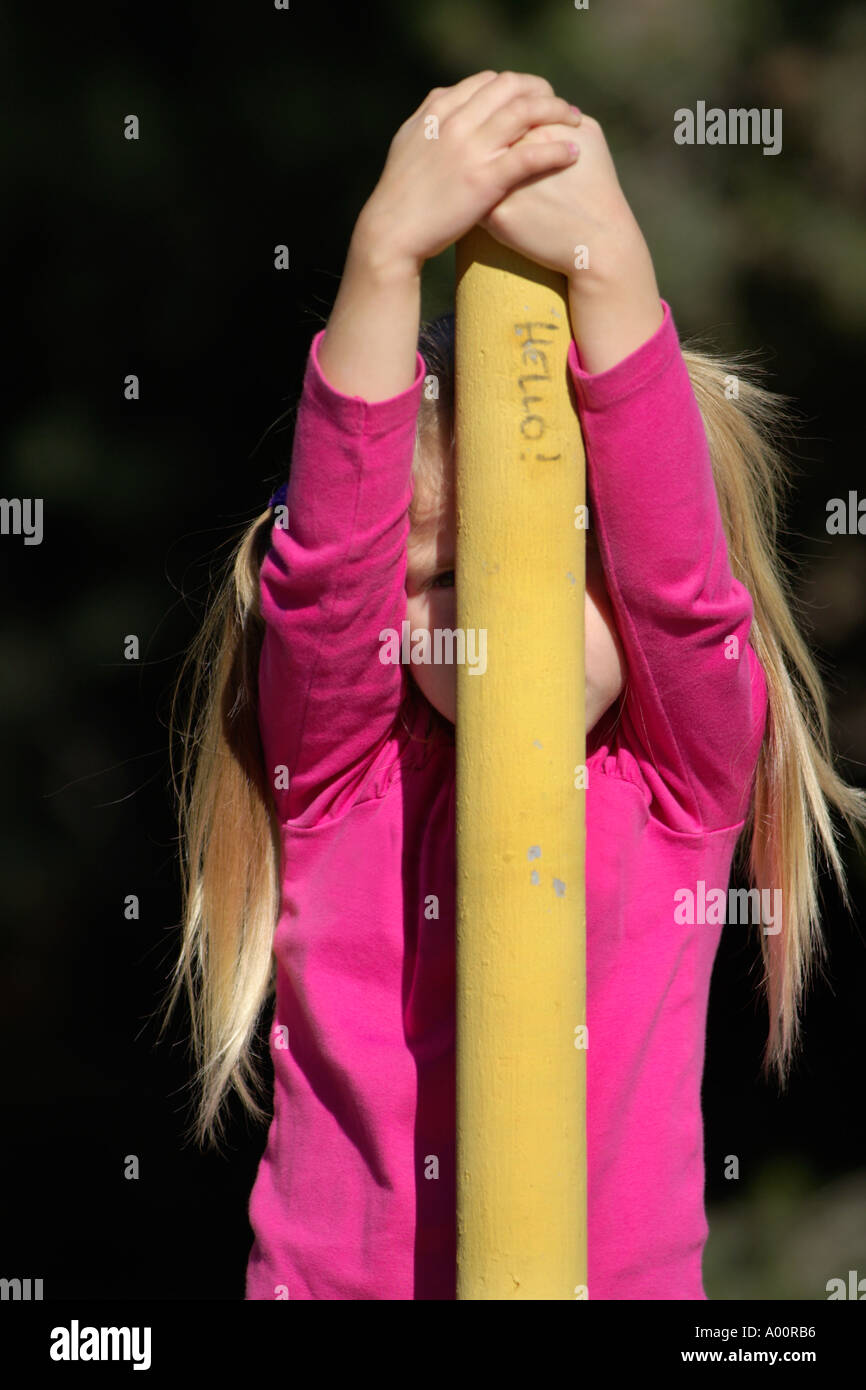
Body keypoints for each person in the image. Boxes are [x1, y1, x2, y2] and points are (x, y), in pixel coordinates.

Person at [160, 71, 866, 1299]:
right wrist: (382, 260)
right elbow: (331, 592)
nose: (502, 620)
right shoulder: (341, 782)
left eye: (563, 560)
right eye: (443, 577)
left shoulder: (678, 782)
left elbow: (677, 592)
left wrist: (607, 270)